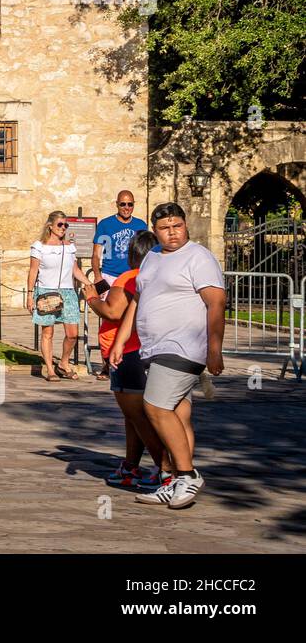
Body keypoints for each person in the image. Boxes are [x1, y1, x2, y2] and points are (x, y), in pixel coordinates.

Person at [126, 202, 225, 509]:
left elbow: (216, 303)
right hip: (153, 348)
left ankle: (187, 474)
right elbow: (140, 298)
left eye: (177, 226)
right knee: (177, 413)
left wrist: (214, 349)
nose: (172, 233)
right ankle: (171, 480)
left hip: (183, 346)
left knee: (154, 407)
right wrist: (121, 341)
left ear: (186, 226)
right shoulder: (152, 257)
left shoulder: (198, 257)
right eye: (165, 228)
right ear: (154, 232)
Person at [83, 230, 171, 489]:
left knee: (140, 417)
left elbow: (113, 312)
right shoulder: (157, 278)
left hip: (126, 352)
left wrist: (91, 298)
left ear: (133, 254)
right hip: (147, 351)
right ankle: (131, 466)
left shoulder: (130, 277)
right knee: (134, 417)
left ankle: (165, 469)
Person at [26, 210, 94, 381]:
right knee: (47, 332)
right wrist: (29, 295)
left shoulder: (69, 247)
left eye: (66, 225)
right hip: (46, 292)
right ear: (50, 226)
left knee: (72, 334)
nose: (63, 228)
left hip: (68, 292)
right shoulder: (39, 247)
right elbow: (33, 271)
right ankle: (49, 369)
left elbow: (75, 270)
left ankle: (63, 363)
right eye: (60, 224)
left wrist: (89, 283)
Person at [92, 190, 148, 287]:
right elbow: (96, 254)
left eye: (130, 204)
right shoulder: (105, 224)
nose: (126, 208)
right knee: (105, 302)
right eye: (123, 204)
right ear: (117, 204)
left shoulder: (141, 225)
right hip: (110, 276)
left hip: (133, 276)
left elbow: (146, 253)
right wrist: (97, 277)